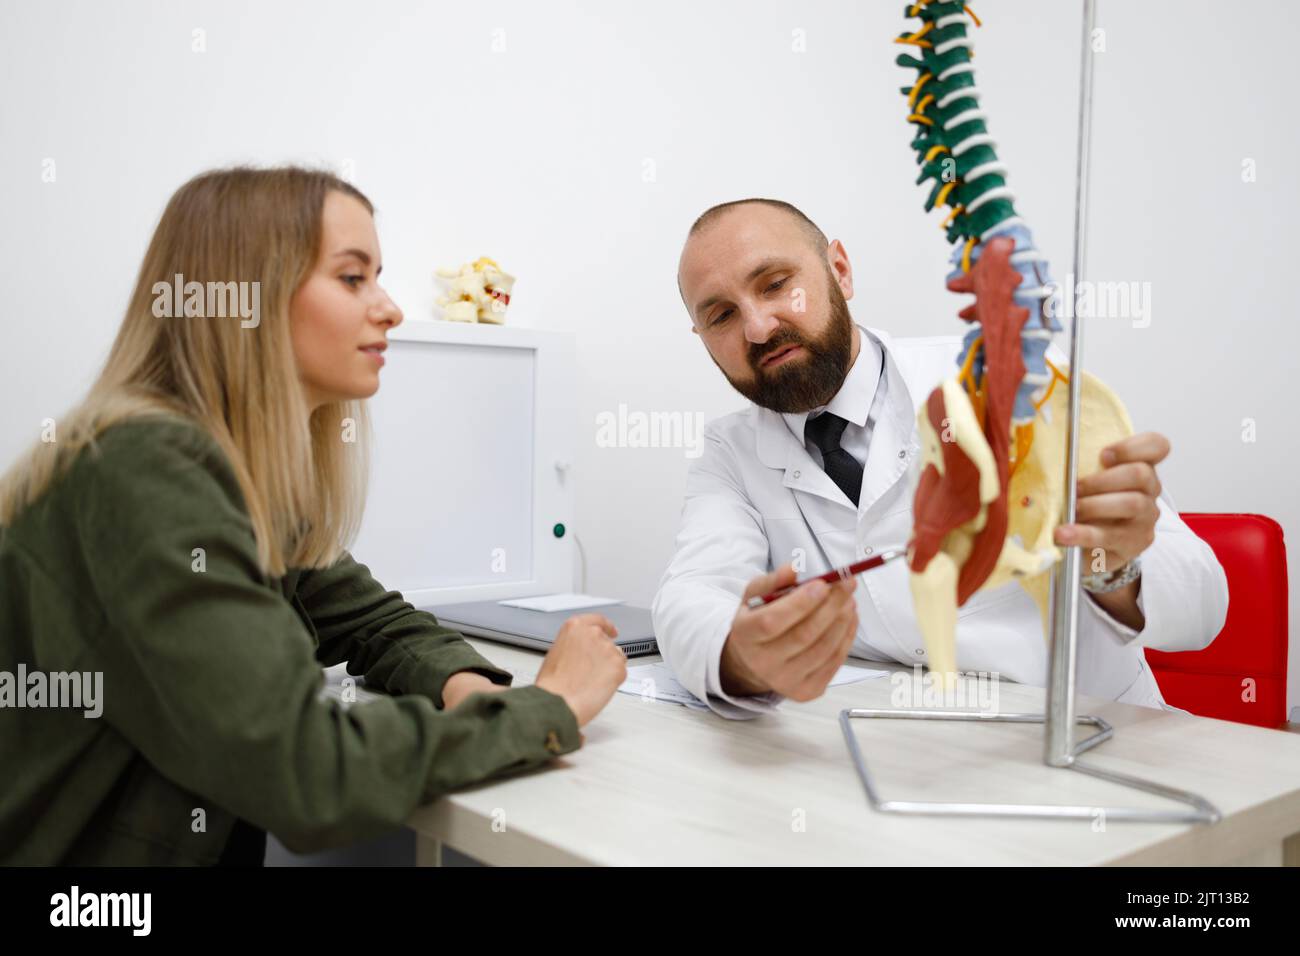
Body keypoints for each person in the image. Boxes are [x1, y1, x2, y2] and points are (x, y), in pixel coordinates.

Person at [0, 166, 626, 865]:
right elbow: (305, 772)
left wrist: (463, 683)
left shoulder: (241, 475)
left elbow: (369, 619)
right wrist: (551, 708)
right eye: (353, 278)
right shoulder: (149, 468)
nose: (389, 307)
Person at [653, 198, 1228, 718]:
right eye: (722, 316)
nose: (758, 326)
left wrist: (1116, 563)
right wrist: (740, 657)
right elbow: (690, 593)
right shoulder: (731, 452)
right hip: (906, 762)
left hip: (1091, 737)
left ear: (840, 270)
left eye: (776, 284)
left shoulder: (1008, 378)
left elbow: (1201, 612)